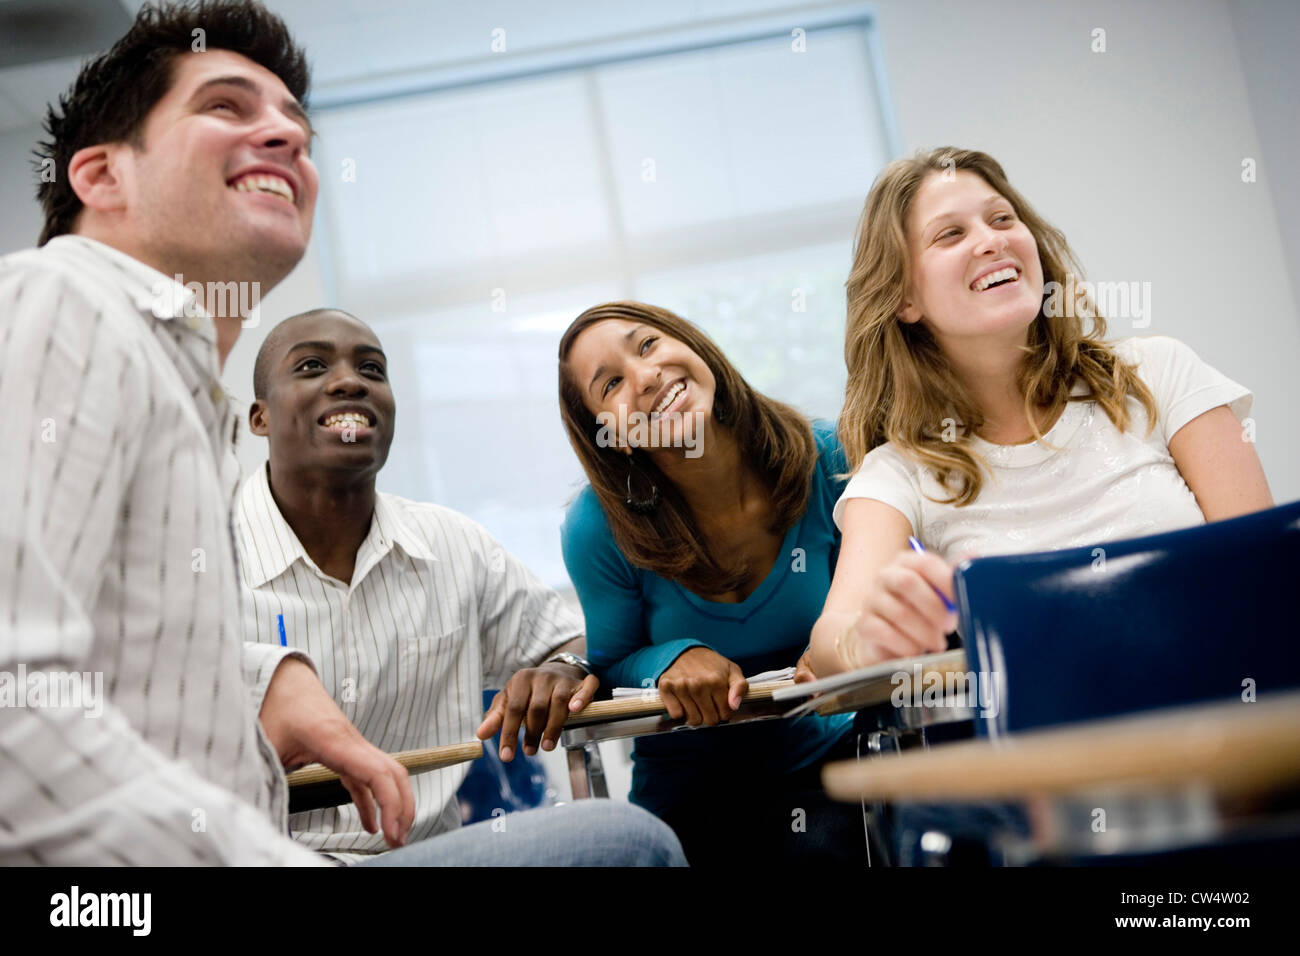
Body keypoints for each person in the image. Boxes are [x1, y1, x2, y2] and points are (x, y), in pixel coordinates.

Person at [0, 0, 680, 867]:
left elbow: (113, 674)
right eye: (226, 107)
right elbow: (16, 698)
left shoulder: (175, 396)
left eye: (297, 125)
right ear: (101, 177)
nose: (284, 136)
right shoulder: (65, 305)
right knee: (620, 845)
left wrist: (267, 679)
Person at [807, 146, 1273, 678]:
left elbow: (1267, 564)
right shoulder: (900, 469)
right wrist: (866, 641)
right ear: (904, 298)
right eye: (950, 234)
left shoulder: (1158, 371)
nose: (992, 240)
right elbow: (831, 637)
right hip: (1047, 750)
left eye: (1002, 218)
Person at [238, 308, 682, 864]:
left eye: (373, 370)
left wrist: (559, 671)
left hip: (425, 855)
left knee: (624, 838)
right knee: (626, 840)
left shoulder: (451, 544)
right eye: (311, 365)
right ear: (259, 417)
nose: (351, 380)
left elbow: (567, 643)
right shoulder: (196, 557)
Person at [557, 301, 867, 867]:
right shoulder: (595, 528)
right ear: (613, 437)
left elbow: (872, 603)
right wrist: (672, 657)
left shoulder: (831, 457)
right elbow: (611, 659)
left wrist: (846, 643)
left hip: (831, 765)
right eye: (612, 384)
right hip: (687, 793)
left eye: (647, 346)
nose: (647, 377)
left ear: (696, 349)